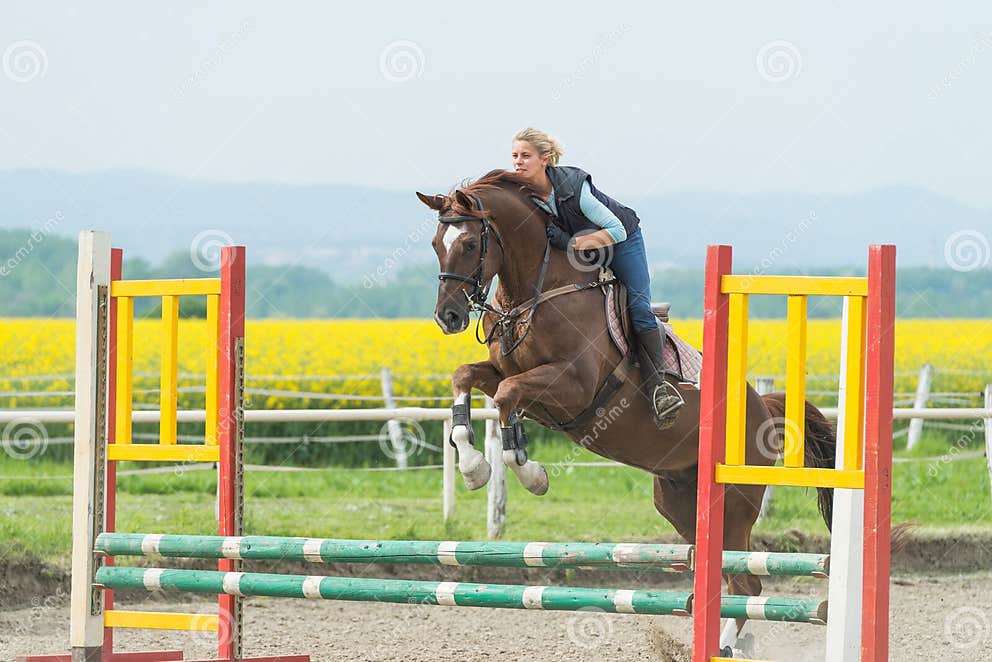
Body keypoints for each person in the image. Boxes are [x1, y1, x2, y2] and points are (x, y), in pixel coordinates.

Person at [510, 127, 683, 429]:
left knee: (639, 310)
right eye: (514, 156)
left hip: (621, 243)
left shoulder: (574, 186)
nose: (518, 162)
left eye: (525, 156)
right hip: (581, 249)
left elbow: (616, 230)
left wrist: (571, 243)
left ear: (545, 159)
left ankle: (659, 389)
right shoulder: (523, 194)